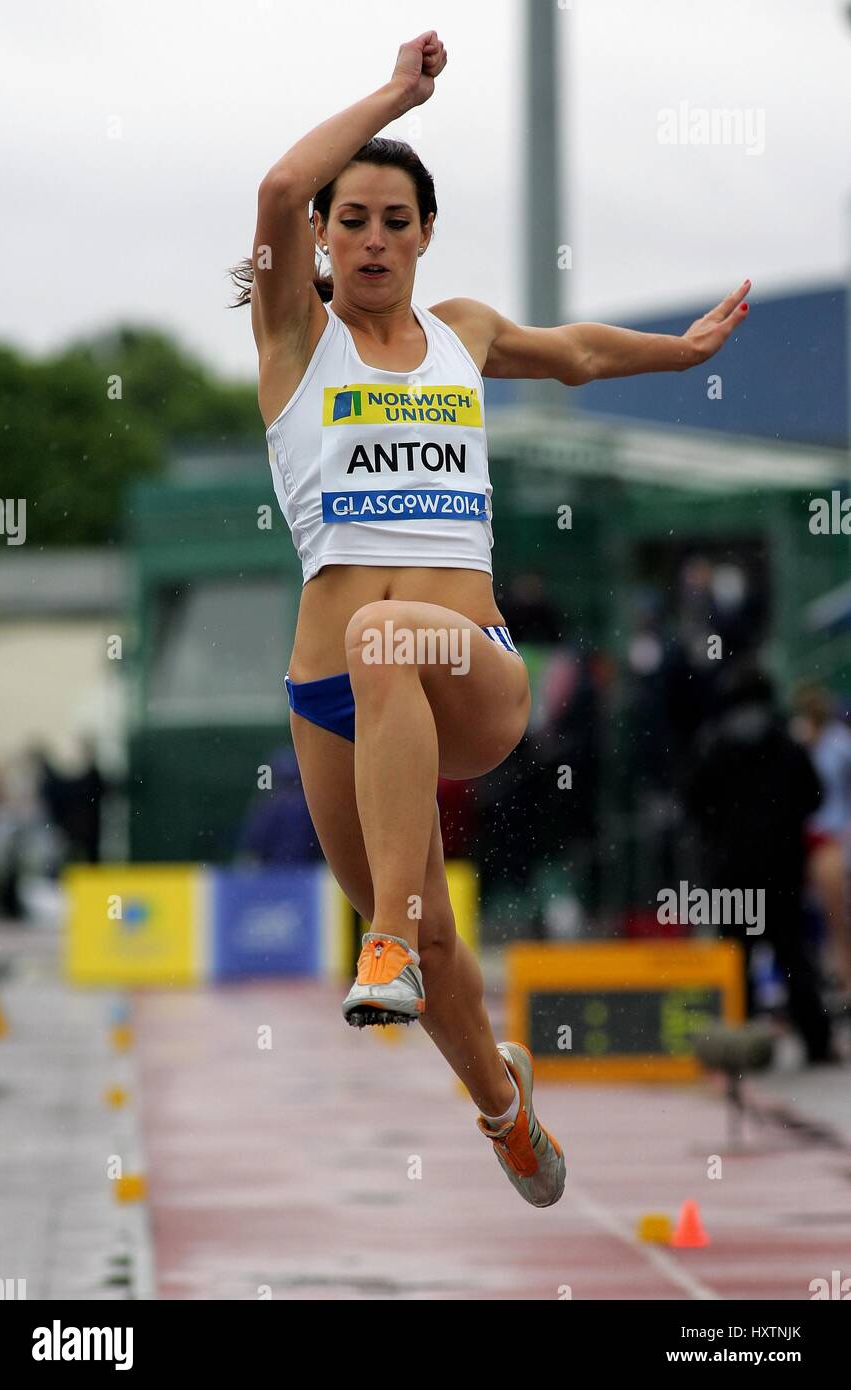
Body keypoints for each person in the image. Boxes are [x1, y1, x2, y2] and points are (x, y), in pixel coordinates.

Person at [230, 29, 749, 1206]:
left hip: (472, 673)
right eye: (348, 217)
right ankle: (504, 1108)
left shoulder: (459, 336)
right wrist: (393, 97)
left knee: (385, 646)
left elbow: (567, 351)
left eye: (393, 220)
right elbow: (272, 185)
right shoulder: (291, 341)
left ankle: (386, 946)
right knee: (433, 944)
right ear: (317, 238)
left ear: (422, 237)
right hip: (332, 696)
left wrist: (682, 353)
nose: (369, 237)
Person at [684, 667, 837, 1065]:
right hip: (782, 873)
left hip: (732, 878)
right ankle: (818, 1046)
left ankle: (739, 1049)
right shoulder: (786, 744)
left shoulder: (714, 746)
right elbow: (814, 797)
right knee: (795, 960)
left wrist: (724, 835)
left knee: (735, 962)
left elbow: (694, 804)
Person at [791, 683, 851, 1000]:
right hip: (805, 836)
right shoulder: (797, 742)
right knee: (802, 920)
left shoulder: (840, 745)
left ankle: (844, 979)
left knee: (836, 919)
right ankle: (815, 981)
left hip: (832, 836)